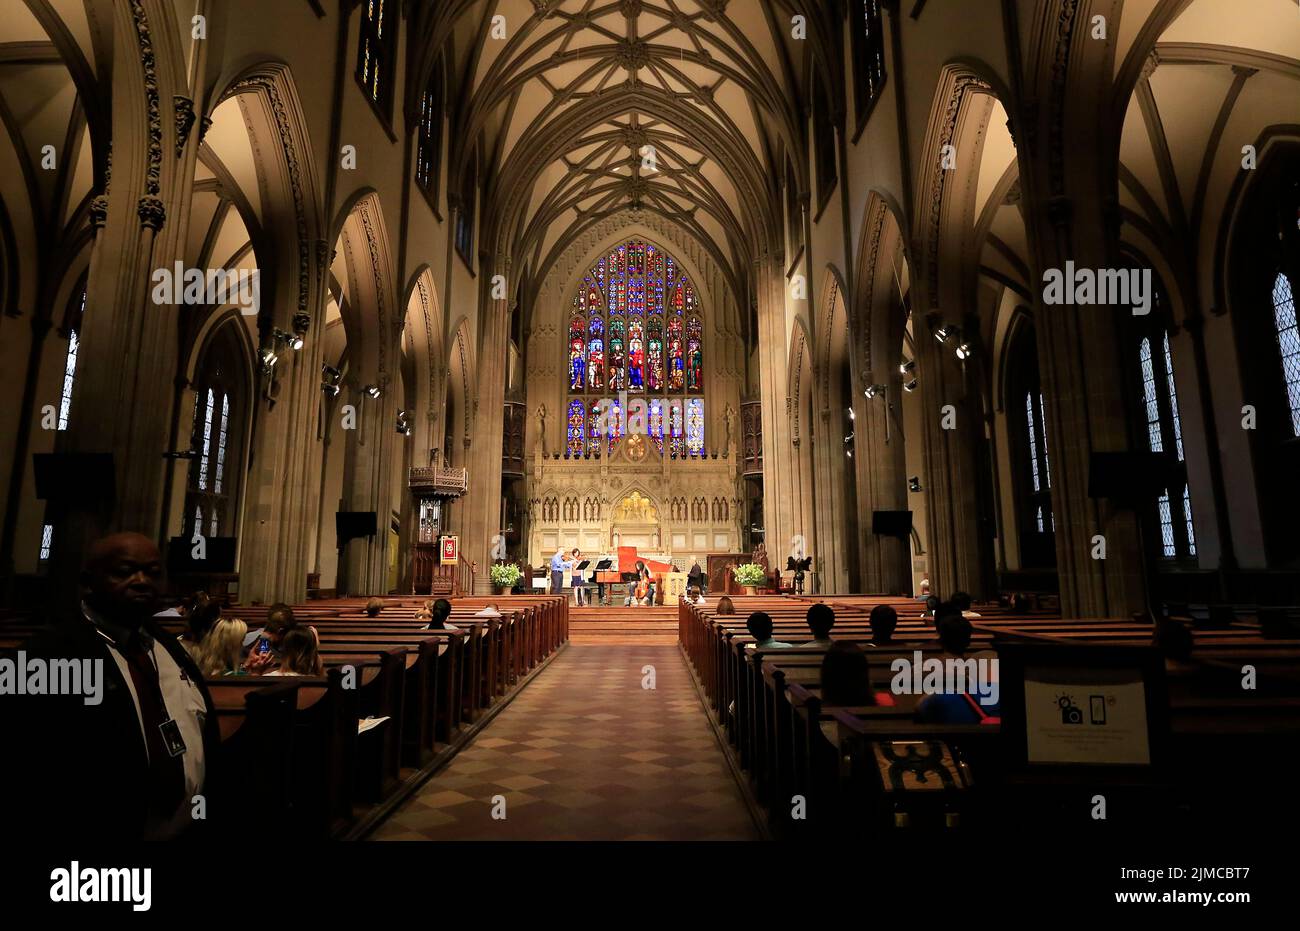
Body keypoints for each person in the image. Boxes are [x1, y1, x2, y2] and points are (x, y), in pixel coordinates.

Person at [11, 532, 221, 841]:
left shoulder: (168, 647)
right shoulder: (42, 658)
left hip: (186, 835)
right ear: (87, 581)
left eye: (153, 572)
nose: (141, 581)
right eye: (124, 572)